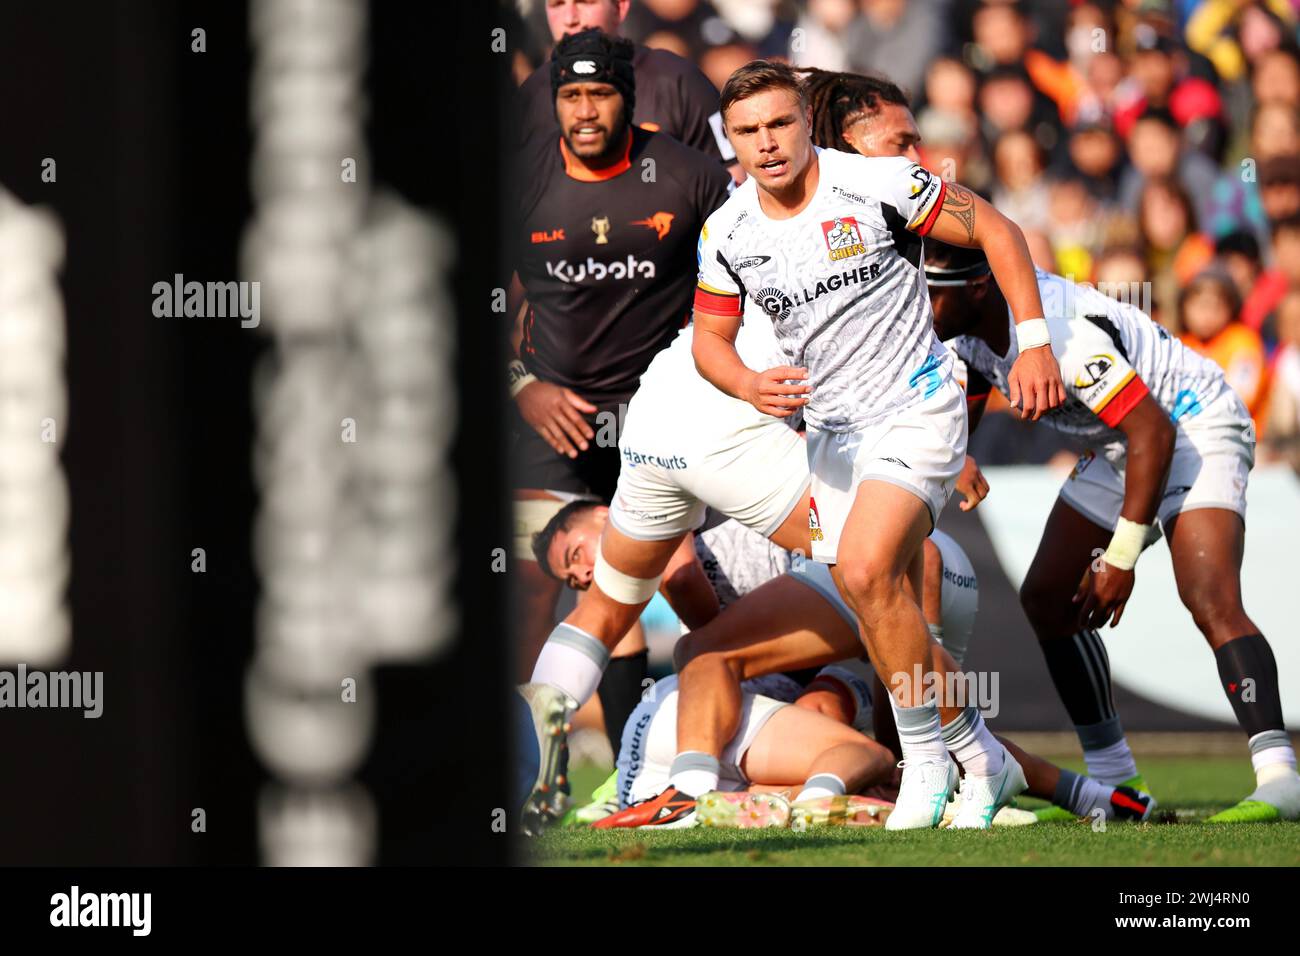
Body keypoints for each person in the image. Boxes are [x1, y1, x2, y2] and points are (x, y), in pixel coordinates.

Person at [688, 59, 1064, 830]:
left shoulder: (876, 182)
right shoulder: (726, 231)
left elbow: (996, 227)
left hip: (918, 407)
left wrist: (1034, 345)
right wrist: (746, 383)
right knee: (871, 597)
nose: (767, 143)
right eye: (749, 132)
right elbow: (710, 342)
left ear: (804, 122)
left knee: (864, 566)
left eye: (780, 124)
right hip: (832, 437)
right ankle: (980, 756)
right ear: (733, 142)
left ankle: (925, 765)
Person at [926, 241, 1300, 823]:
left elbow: (1155, 432)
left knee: (1208, 596)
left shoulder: (1059, 334)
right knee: (1048, 598)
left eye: (932, 292)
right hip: (1120, 440)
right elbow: (962, 417)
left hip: (1189, 422)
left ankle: (1281, 776)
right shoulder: (969, 328)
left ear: (977, 288)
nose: (923, 305)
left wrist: (1120, 557)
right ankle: (1118, 784)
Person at [510, 28, 732, 757]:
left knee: (668, 574)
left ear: (627, 99)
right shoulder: (520, 177)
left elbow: (745, 286)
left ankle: (643, 756)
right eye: (570, 95)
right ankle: (527, 760)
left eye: (599, 93)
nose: (584, 110)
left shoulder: (692, 177)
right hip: (552, 418)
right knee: (535, 585)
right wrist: (523, 387)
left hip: (662, 413)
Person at [514, 0, 741, 183]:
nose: (570, 19)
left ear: (620, 7)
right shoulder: (533, 95)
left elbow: (734, 179)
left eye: (585, 3)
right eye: (557, 4)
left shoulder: (676, 80)